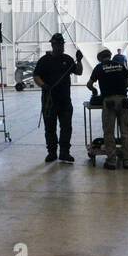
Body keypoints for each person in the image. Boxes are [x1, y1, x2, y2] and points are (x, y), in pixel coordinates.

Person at [33, 33, 83, 163]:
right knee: (50, 128)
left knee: (66, 127)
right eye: (58, 44)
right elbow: (36, 76)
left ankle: (64, 153)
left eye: (62, 44)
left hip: (65, 100)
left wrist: (79, 60)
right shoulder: (44, 60)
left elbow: (79, 71)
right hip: (49, 101)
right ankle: (52, 152)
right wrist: (44, 85)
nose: (61, 47)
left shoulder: (67, 59)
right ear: (53, 45)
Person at [87, 48, 128, 170]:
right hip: (123, 101)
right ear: (110, 55)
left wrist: (94, 90)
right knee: (125, 131)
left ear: (100, 58)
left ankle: (111, 161)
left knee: (109, 132)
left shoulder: (99, 67)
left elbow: (89, 84)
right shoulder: (120, 65)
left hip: (109, 102)